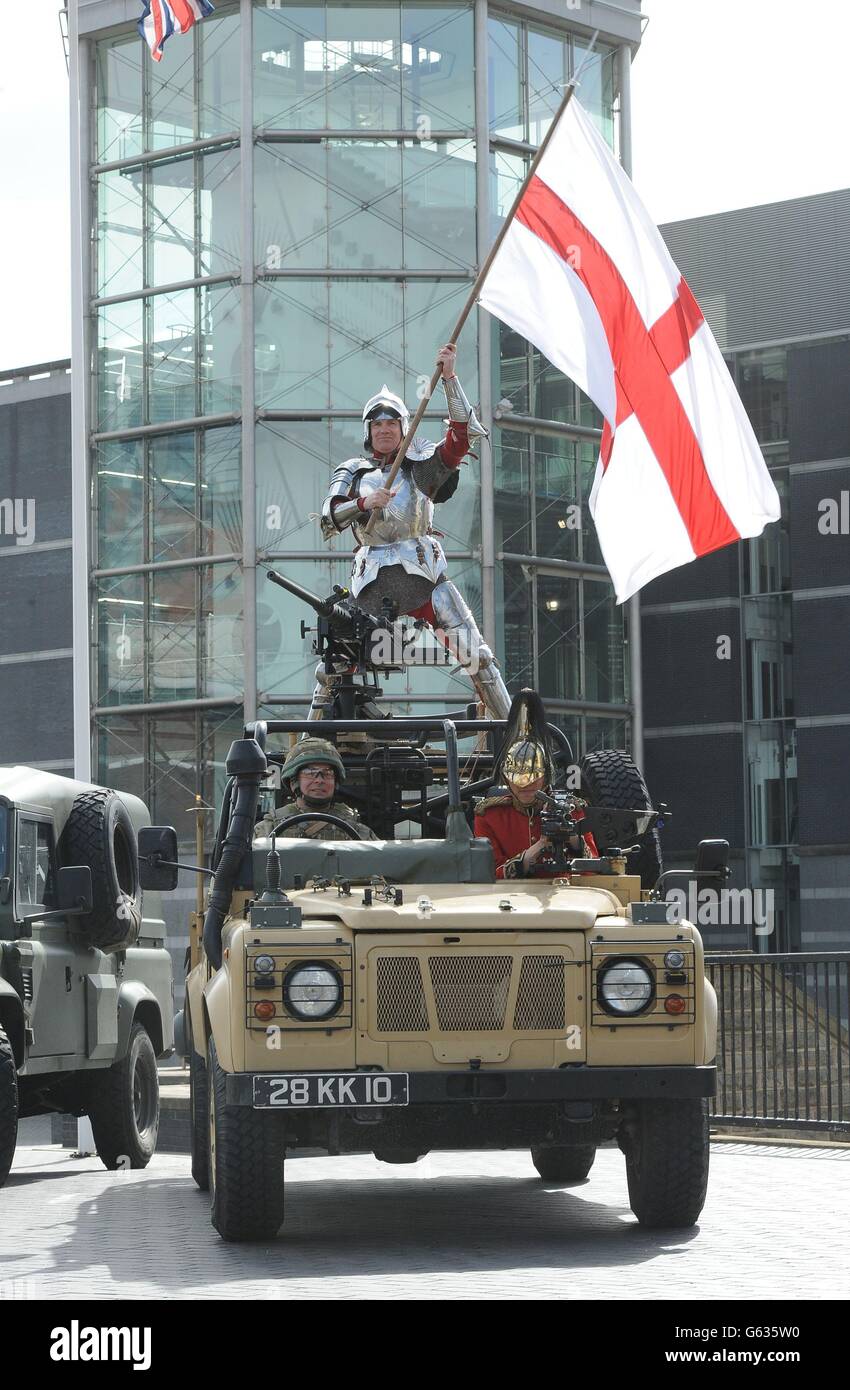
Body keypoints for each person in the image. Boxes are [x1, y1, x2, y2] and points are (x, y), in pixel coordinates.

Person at [315, 343, 511, 720]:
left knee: (479, 657)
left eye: (391, 423)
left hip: (425, 577)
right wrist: (363, 505)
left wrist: (450, 379)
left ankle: (515, 741)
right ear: (368, 432)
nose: (385, 429)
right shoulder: (353, 471)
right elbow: (328, 517)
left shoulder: (419, 465)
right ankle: (308, 751)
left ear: (403, 429)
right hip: (370, 580)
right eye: (378, 424)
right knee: (332, 668)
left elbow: (459, 439)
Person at [474, 690, 598, 879]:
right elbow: (486, 874)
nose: (525, 785)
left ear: (546, 776)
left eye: (534, 778)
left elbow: (594, 871)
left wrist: (573, 837)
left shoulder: (573, 811)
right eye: (517, 779)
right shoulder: (489, 816)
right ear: (507, 779)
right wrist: (529, 856)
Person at [257, 737, 377, 841]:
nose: (319, 780)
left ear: (335, 781)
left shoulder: (355, 828)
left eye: (328, 773)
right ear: (294, 781)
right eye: (310, 772)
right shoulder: (270, 828)